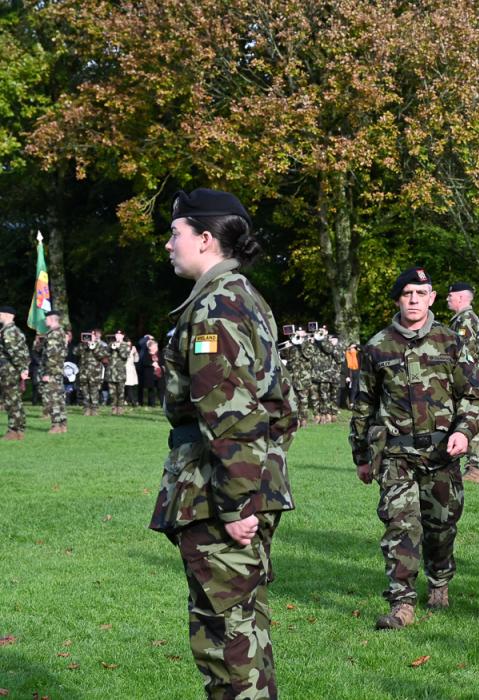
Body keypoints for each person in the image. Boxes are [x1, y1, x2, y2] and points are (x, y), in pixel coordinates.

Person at [148, 188, 297, 699]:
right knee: (244, 633)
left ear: (206, 238)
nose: (169, 245)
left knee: (226, 640)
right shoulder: (243, 297)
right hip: (238, 485)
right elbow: (282, 408)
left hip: (220, 494)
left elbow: (231, 416)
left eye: (176, 234)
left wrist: (237, 504)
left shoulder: (216, 308)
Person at [349, 266, 479, 630]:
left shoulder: (450, 342)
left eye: (420, 293)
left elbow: (474, 397)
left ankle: (439, 579)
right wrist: (361, 457)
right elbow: (362, 406)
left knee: (441, 527)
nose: (413, 300)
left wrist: (464, 432)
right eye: (407, 293)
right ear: (397, 298)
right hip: (396, 456)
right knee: (401, 526)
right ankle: (402, 602)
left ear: (431, 299)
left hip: (442, 455)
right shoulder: (377, 346)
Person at [447, 282, 479, 483]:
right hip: (467, 377)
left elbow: (464, 353)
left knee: (467, 417)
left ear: (460, 297)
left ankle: (473, 468)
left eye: (450, 296)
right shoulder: (463, 319)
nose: (447, 299)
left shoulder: (466, 321)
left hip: (467, 378)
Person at [0, 306, 31, 441]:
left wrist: (22, 369)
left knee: (11, 400)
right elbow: (25, 352)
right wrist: (24, 368)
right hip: (13, 369)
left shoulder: (8, 332)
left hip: (9, 370)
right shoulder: (16, 331)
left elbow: (14, 353)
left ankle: (13, 431)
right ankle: (19, 429)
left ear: (7, 315)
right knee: (16, 401)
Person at [40, 311, 69, 434]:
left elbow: (52, 355)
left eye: (46, 319)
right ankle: (62, 424)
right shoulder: (62, 333)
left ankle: (56, 425)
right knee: (60, 397)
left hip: (52, 370)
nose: (44, 321)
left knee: (53, 398)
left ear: (52, 319)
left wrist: (48, 373)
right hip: (58, 370)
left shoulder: (53, 334)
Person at [108, 330, 133, 415]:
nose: (118, 336)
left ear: (123, 336)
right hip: (111, 372)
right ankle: (114, 408)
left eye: (120, 335)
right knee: (112, 392)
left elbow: (125, 356)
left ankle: (120, 408)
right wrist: (111, 347)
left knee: (120, 392)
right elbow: (105, 354)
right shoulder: (111, 344)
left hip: (120, 372)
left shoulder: (126, 345)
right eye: (117, 334)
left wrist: (118, 347)